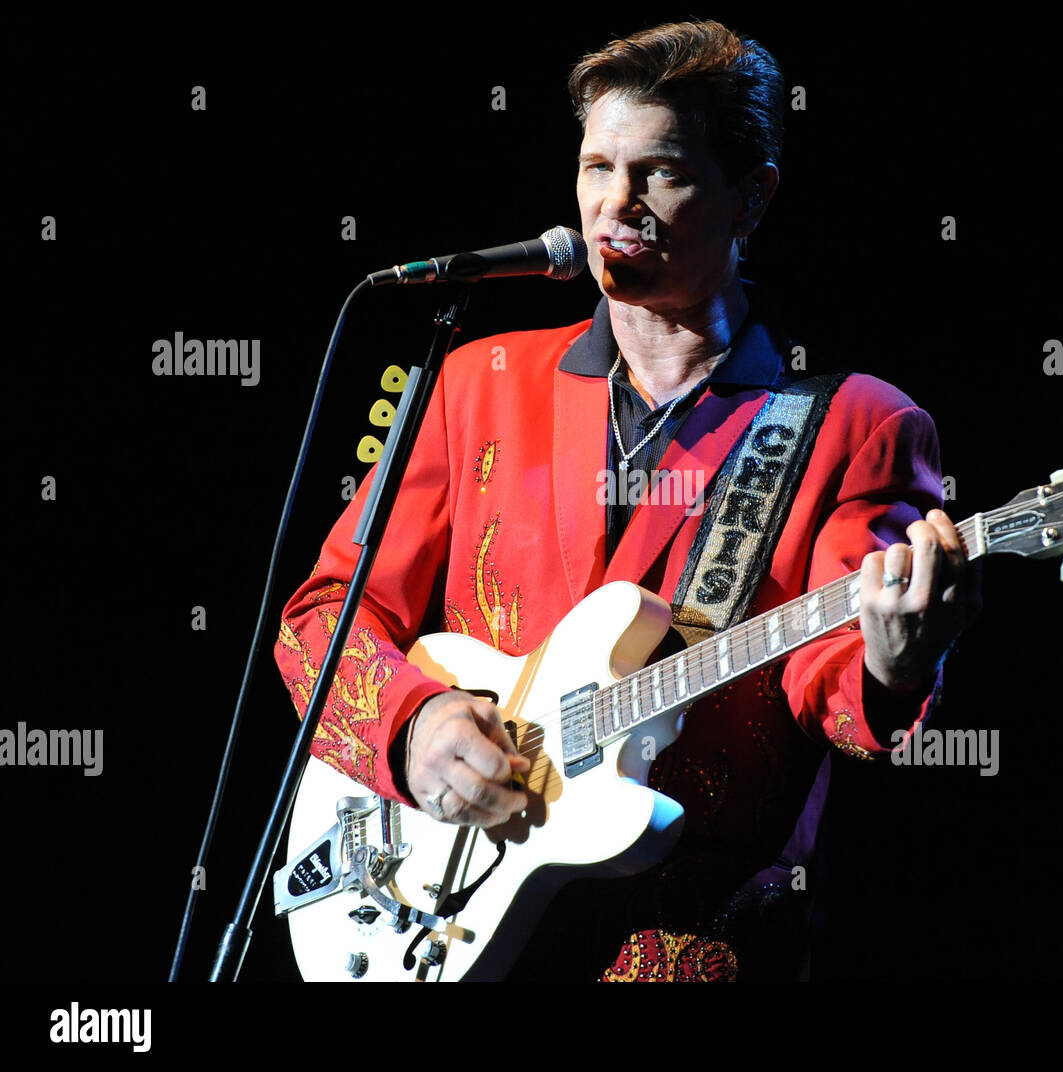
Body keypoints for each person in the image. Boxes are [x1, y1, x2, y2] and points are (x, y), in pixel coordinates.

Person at [275, 19, 980, 981]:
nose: (617, 205)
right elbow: (323, 621)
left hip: (689, 951)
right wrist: (414, 728)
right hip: (446, 911)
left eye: (662, 172)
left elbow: (836, 685)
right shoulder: (479, 381)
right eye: (597, 166)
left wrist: (895, 665)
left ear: (752, 197)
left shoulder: (856, 425)